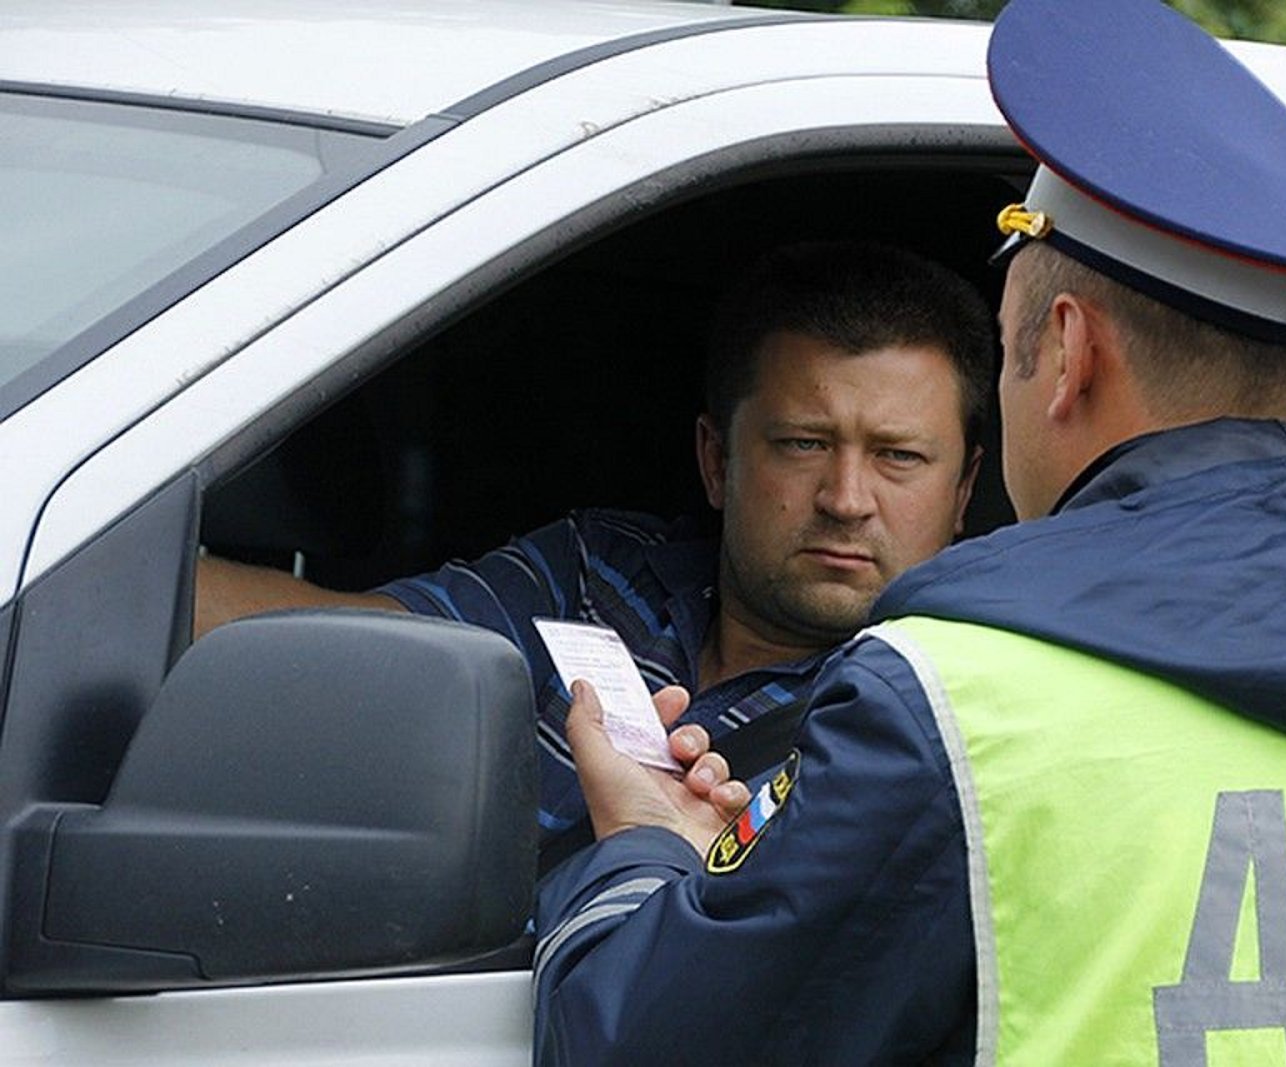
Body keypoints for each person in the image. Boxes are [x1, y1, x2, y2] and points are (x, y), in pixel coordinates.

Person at [531, 0, 1286, 1063]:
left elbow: (642, 1042)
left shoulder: (956, 703)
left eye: (1005, 350)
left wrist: (636, 851)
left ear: (1067, 347)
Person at [194, 240, 993, 860]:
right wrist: (92, 575)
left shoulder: (947, 715)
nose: (847, 498)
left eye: (899, 457)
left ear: (963, 494)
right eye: (803, 444)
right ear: (717, 460)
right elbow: (333, 643)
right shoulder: (602, 567)